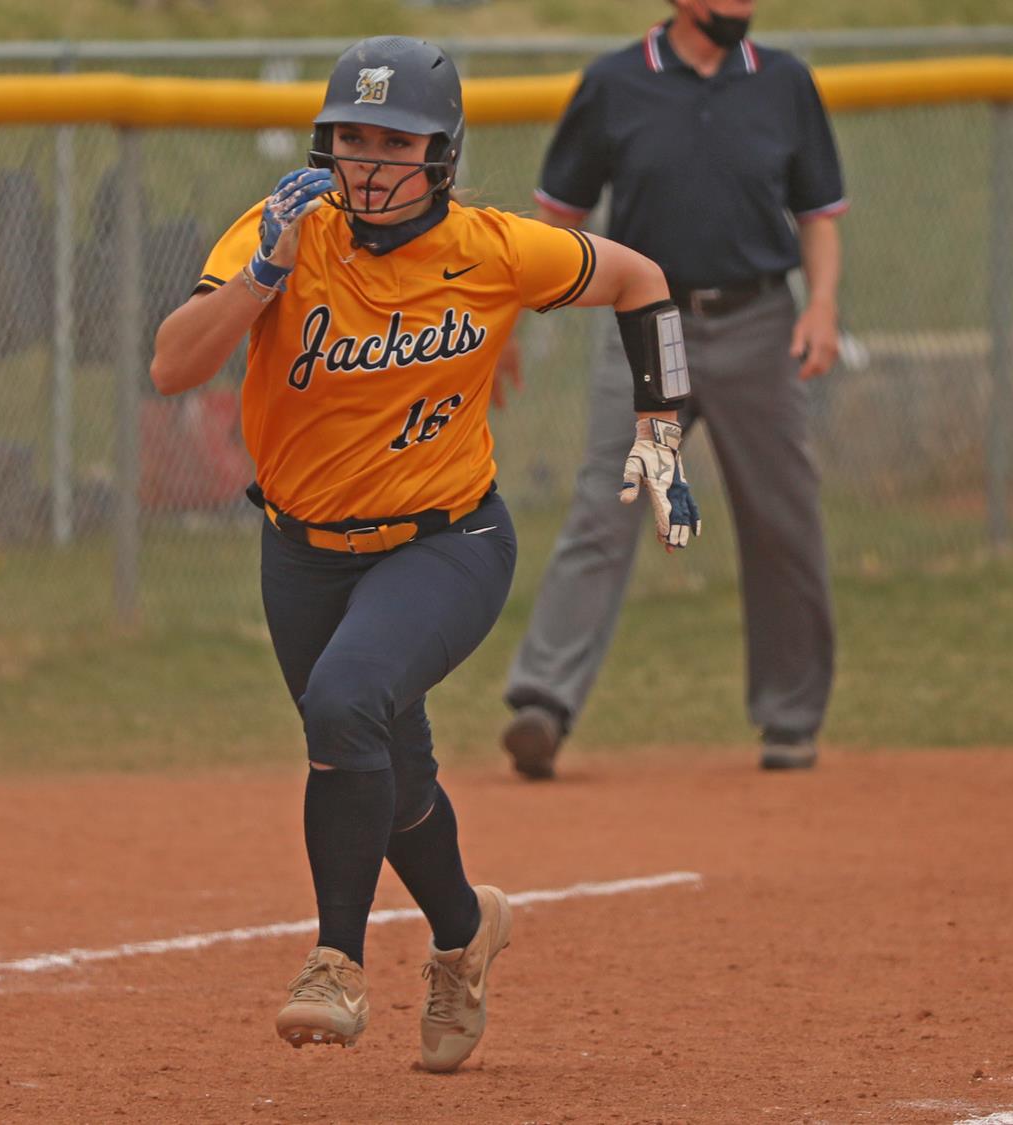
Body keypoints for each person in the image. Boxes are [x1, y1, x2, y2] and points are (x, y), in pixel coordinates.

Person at [149, 35, 700, 1072]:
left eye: (395, 143)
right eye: (351, 139)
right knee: (388, 776)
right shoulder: (283, 233)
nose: (369, 164)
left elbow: (642, 280)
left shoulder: (494, 249)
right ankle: (463, 932)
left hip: (448, 542)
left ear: (442, 153)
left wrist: (659, 429)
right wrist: (260, 275)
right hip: (302, 552)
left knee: (344, 702)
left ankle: (334, 962)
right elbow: (174, 366)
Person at [499, 0, 846, 779]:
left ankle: (790, 717)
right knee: (607, 506)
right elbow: (557, 217)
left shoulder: (784, 82)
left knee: (783, 519)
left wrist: (822, 304)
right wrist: (507, 326)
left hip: (758, 321)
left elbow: (817, 214)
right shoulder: (615, 84)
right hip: (647, 323)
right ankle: (542, 703)